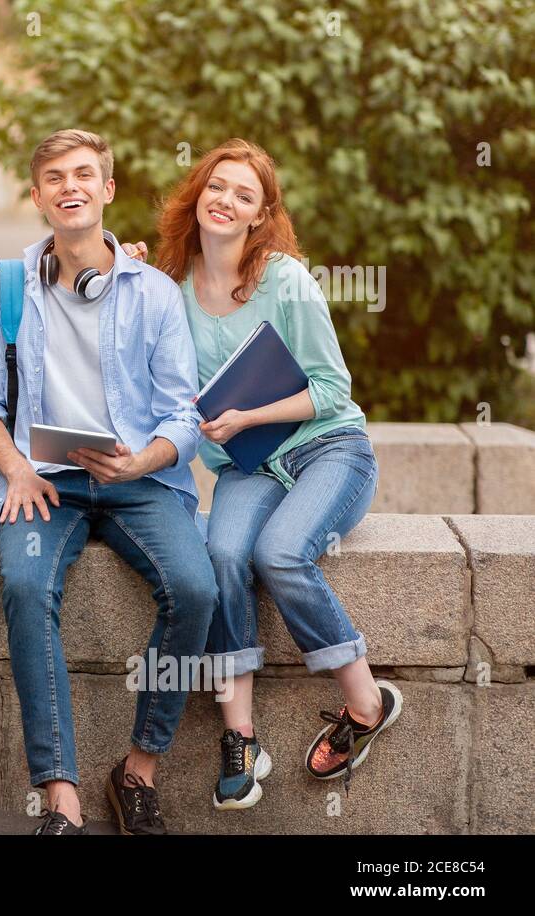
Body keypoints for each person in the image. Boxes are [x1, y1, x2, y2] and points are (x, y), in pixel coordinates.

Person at [0, 129, 215, 835]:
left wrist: (140, 462)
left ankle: (137, 769)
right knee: (23, 585)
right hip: (42, 478)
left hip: (139, 478)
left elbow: (184, 415)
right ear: (38, 195)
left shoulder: (155, 294)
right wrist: (16, 466)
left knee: (196, 588)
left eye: (84, 174)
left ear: (107, 189)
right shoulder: (10, 286)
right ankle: (60, 796)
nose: (69, 186)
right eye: (54, 177)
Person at [153, 138, 401, 810]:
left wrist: (243, 412)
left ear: (261, 215)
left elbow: (332, 387)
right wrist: (208, 427)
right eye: (218, 186)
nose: (226, 201)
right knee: (222, 552)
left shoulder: (286, 278)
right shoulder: (172, 294)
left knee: (280, 552)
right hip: (249, 463)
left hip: (329, 450)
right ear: (198, 191)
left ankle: (367, 703)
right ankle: (241, 738)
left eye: (244, 195)